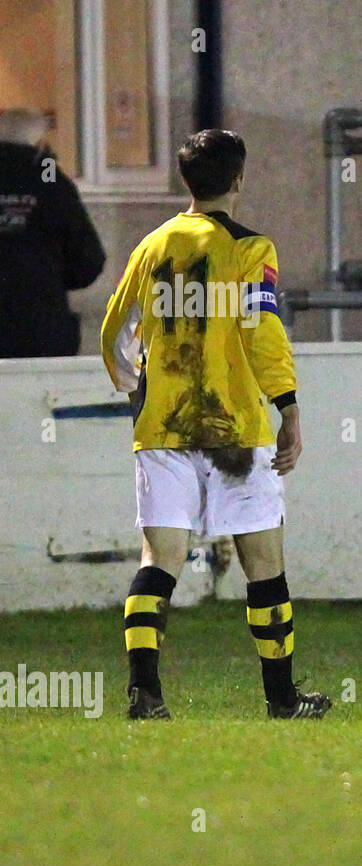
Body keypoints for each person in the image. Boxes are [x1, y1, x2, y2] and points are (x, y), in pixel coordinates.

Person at [100, 129, 330, 720]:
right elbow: (262, 331)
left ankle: (144, 694)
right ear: (238, 180)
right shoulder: (251, 249)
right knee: (264, 564)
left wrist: (131, 384)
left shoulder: (152, 246)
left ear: (187, 182)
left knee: (159, 561)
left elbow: (113, 329)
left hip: (165, 429)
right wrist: (290, 407)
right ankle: (282, 699)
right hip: (235, 429)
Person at [0, 108, 105, 357]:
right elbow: (88, 260)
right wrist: (49, 278)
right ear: (37, 140)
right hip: (39, 327)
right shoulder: (49, 179)